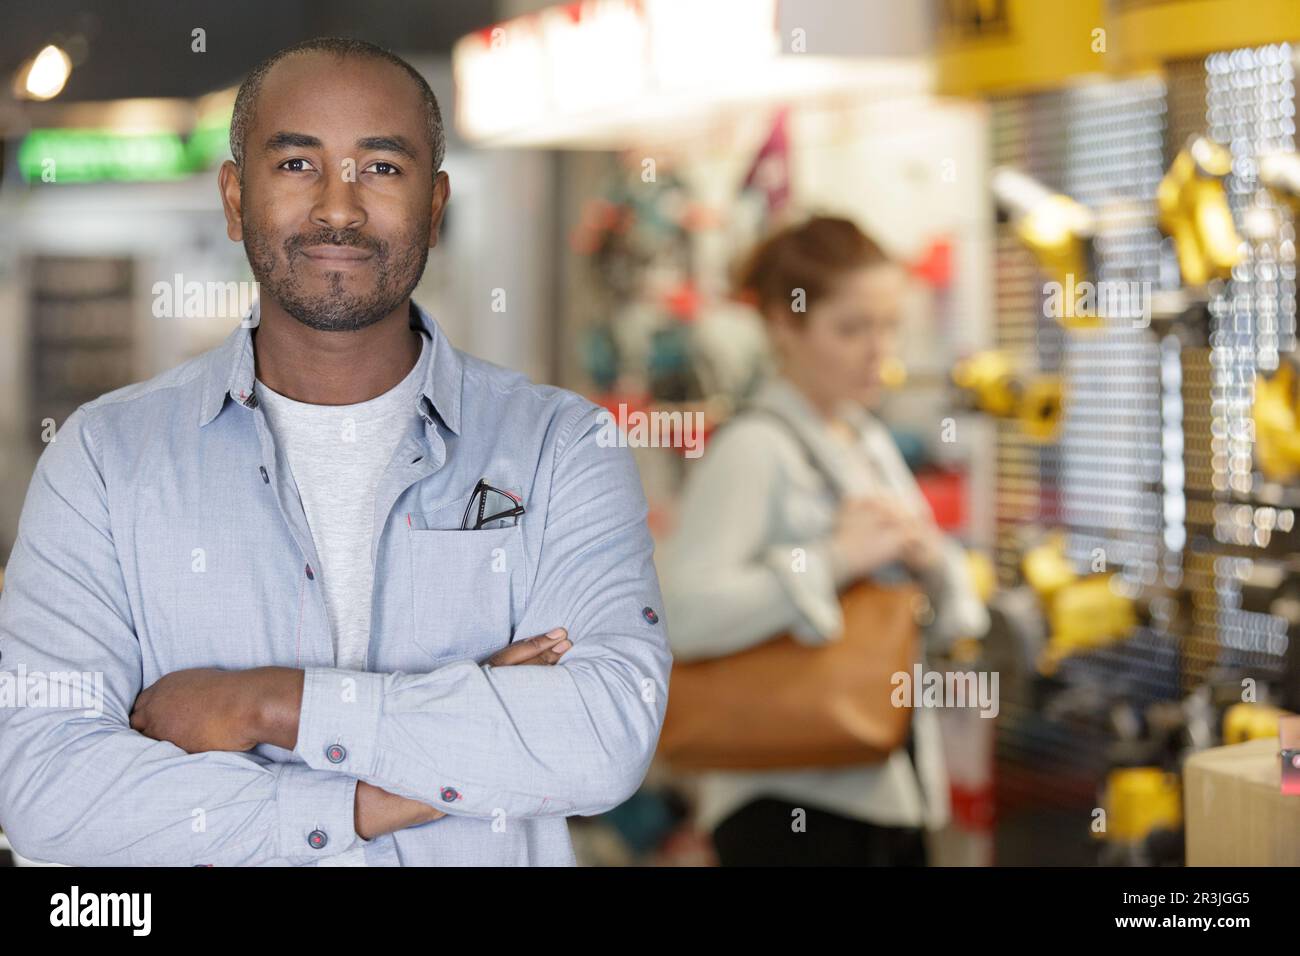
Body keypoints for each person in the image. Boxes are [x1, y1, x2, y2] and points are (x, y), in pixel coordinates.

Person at [0, 37, 670, 867]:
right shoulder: (104, 462)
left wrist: (273, 707)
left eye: (382, 168)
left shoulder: (560, 448)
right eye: (296, 165)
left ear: (434, 204)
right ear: (235, 198)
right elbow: (47, 794)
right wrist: (381, 791)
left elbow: (602, 739)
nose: (340, 208)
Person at [657, 215, 989, 866]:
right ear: (786, 323)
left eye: (890, 325)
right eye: (852, 328)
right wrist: (832, 558)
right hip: (788, 807)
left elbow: (950, 613)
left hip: (891, 790)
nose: (879, 350)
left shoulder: (865, 440)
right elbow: (680, 613)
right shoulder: (754, 449)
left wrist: (930, 564)